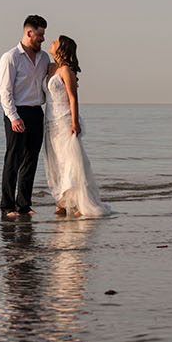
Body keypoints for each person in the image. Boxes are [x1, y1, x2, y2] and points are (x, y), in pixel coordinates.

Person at [44, 35, 111, 217]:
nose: (51, 42)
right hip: (50, 123)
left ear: (62, 49)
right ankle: (62, 202)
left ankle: (81, 202)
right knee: (56, 162)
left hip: (65, 121)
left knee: (72, 161)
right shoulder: (50, 67)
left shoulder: (66, 71)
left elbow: (73, 98)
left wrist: (74, 123)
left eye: (55, 42)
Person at [0, 15, 50, 218]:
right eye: (40, 34)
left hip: (37, 112)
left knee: (31, 160)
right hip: (17, 112)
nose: (43, 39)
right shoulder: (10, 57)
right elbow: (5, 91)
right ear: (29, 33)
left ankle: (24, 204)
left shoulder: (44, 58)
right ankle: (7, 206)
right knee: (13, 160)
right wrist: (13, 117)